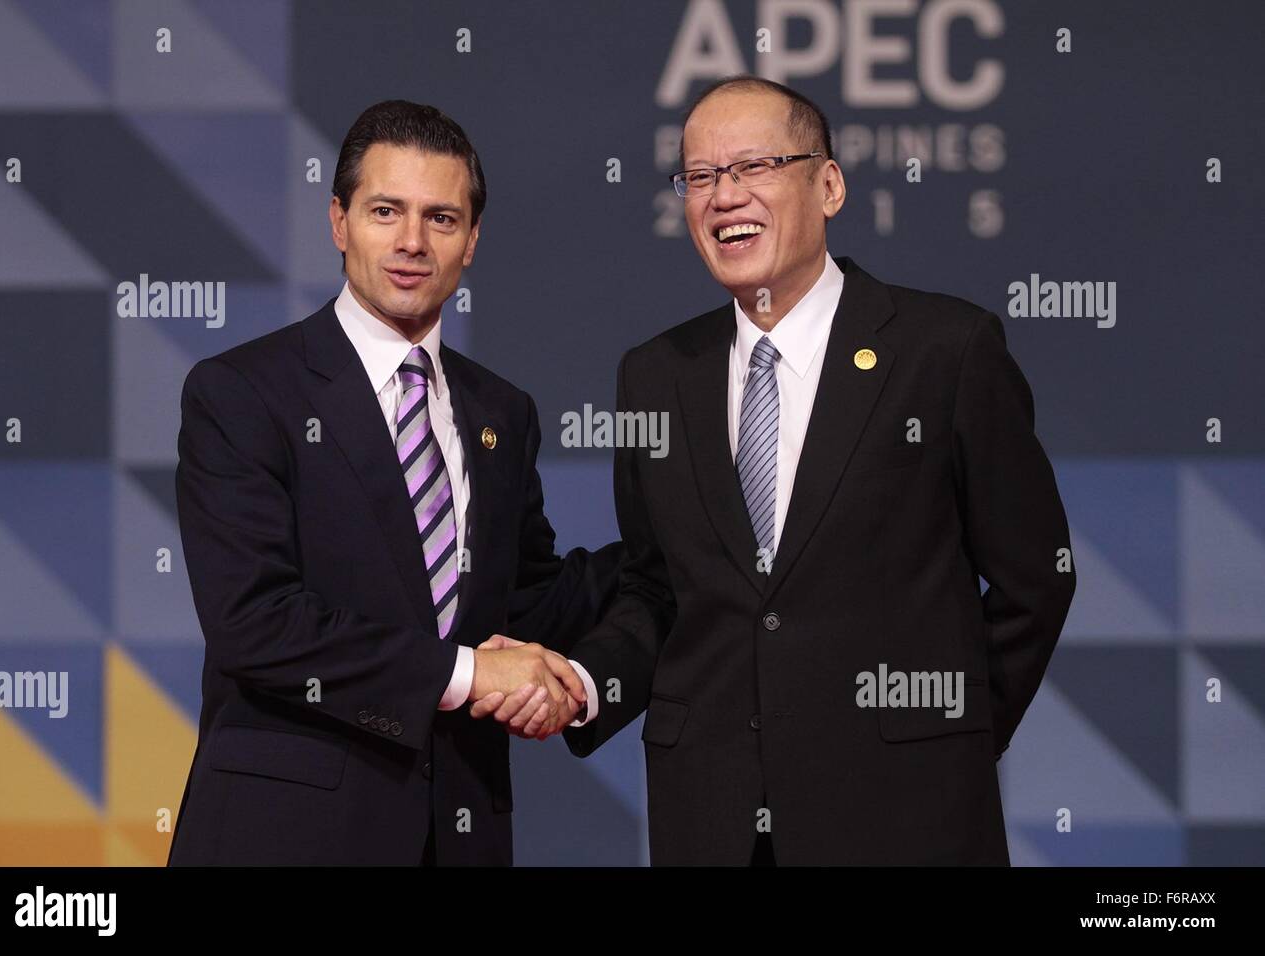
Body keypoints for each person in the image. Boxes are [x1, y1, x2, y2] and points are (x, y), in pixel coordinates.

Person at [480, 76, 1076, 865]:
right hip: (716, 823)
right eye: (700, 176)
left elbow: (1036, 578)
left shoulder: (946, 351)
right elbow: (658, 590)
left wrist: (945, 743)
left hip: (909, 819)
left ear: (827, 185)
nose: (725, 195)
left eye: (755, 165)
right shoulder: (656, 374)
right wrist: (587, 686)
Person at [168, 100, 617, 866]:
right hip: (283, 837)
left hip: (459, 831)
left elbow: (524, 601)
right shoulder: (243, 392)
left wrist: (673, 543)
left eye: (442, 219)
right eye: (386, 211)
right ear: (339, 222)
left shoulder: (502, 412)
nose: (413, 242)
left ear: (472, 241)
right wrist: (473, 674)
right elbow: (256, 623)